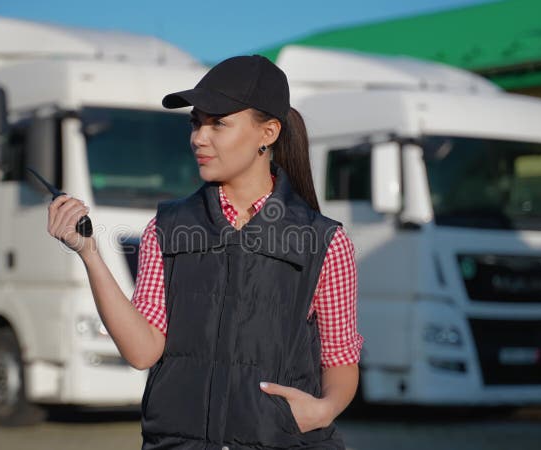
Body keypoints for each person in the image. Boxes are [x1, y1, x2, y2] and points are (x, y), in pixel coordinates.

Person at [47, 55, 363, 450]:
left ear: (268, 132)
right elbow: (142, 350)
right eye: (196, 123)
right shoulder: (167, 227)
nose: (199, 137)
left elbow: (340, 359)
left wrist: (322, 410)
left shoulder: (324, 241)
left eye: (219, 123)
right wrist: (89, 254)